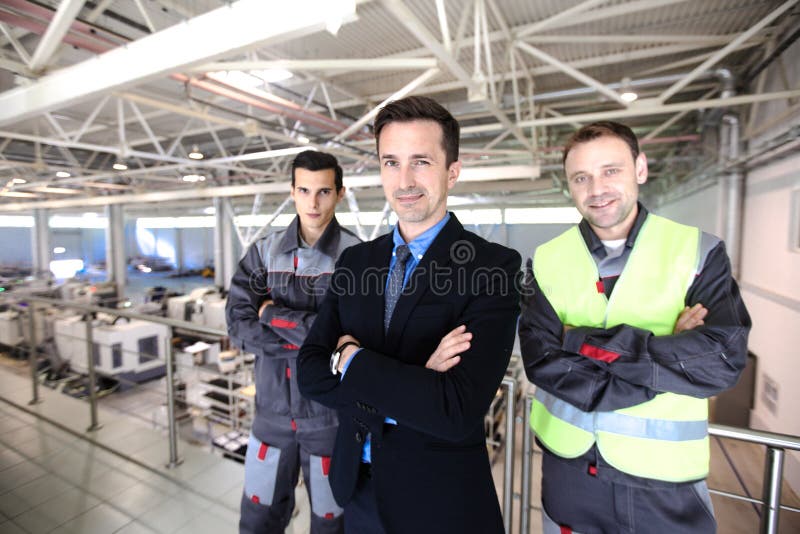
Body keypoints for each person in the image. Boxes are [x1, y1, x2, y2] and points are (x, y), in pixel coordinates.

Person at [297, 95, 521, 534]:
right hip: (357, 490)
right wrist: (419, 380)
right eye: (390, 162)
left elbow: (456, 409)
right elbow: (308, 373)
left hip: (440, 502)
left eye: (421, 161)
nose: (404, 180)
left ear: (451, 172)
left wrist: (350, 360)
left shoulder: (491, 267)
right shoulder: (356, 262)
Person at [519, 121, 751, 533]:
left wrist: (576, 340)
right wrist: (669, 356)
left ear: (640, 169)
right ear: (569, 185)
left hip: (663, 484)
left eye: (611, 170)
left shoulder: (698, 251)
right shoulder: (548, 259)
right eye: (581, 177)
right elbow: (542, 362)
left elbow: (720, 359)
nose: (597, 189)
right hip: (568, 474)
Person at [226, 149, 361, 534]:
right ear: (292, 192)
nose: (313, 203)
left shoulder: (358, 258)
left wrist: (270, 314)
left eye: (323, 192)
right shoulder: (262, 253)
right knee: (257, 520)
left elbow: (348, 336)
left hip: (328, 419)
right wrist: (309, 343)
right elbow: (237, 323)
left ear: (339, 193)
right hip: (270, 416)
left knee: (332, 523)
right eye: (304, 191)